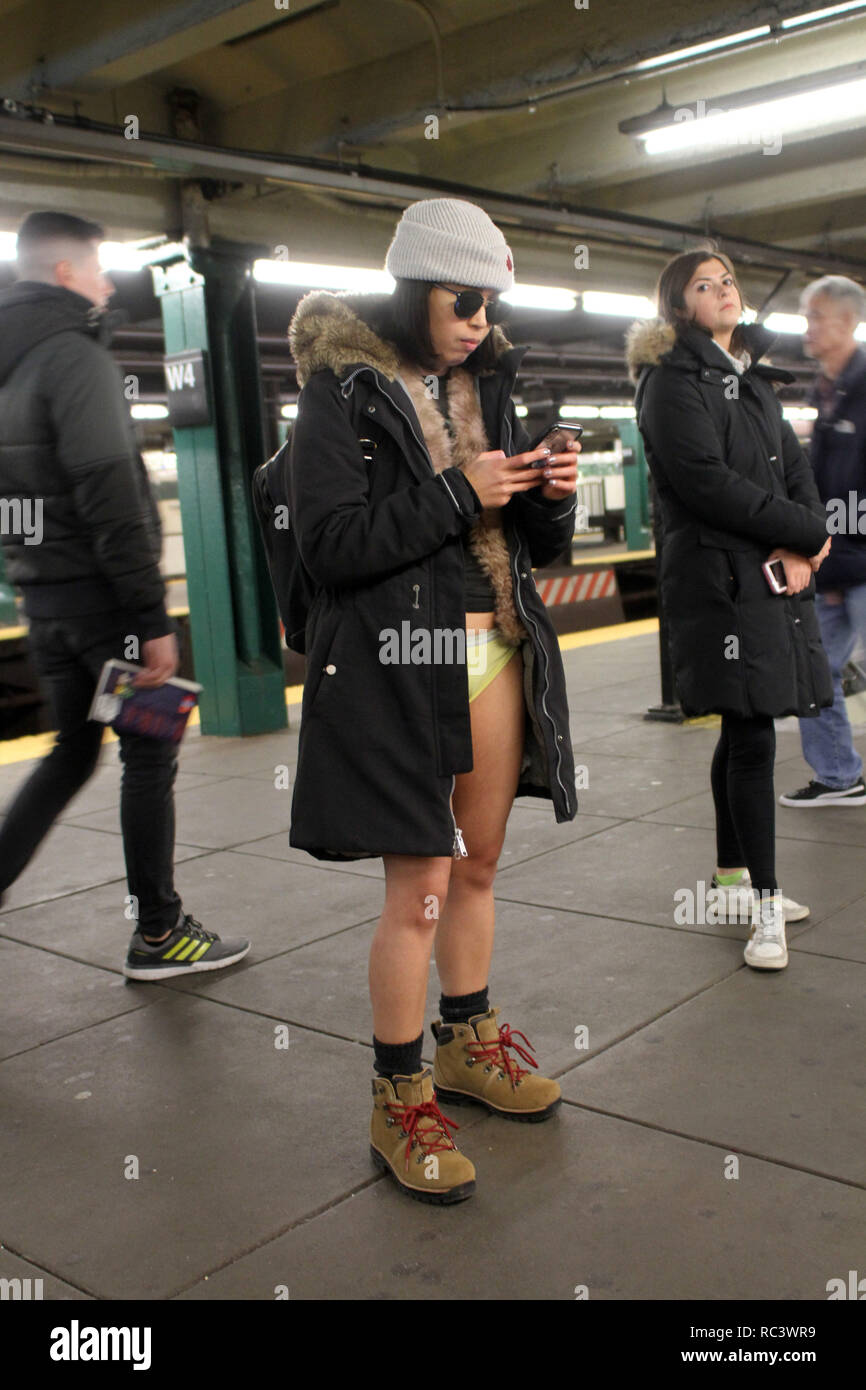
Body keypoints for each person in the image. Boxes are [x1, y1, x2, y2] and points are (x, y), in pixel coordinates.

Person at [285, 198, 580, 1203]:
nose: (478, 317)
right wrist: (462, 488)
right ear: (416, 284)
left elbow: (534, 548)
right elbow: (329, 545)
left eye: (490, 300)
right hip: (398, 659)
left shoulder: (484, 378)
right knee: (417, 885)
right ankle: (396, 1092)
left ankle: (468, 1042)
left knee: (480, 865)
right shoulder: (342, 388)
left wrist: (545, 495)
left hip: (490, 647)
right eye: (463, 298)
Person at [0, 210, 249, 980]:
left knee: (73, 751)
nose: (109, 285)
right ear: (68, 271)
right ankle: (159, 932)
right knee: (151, 753)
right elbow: (110, 497)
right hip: (111, 612)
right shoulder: (73, 358)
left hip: (46, 603)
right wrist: (150, 621)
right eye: (102, 269)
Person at [626, 246, 833, 972]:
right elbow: (706, 484)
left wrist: (812, 536)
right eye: (703, 285)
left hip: (765, 579)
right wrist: (802, 531)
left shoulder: (749, 380)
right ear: (679, 306)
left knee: (745, 727)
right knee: (752, 736)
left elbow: (794, 466)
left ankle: (729, 884)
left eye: (729, 281)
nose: (723, 291)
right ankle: (766, 907)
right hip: (718, 585)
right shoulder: (670, 383)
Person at [780, 276, 866, 808]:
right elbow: (826, 486)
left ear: (848, 322)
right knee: (812, 670)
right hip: (841, 564)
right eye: (806, 315)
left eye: (816, 316)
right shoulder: (825, 391)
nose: (807, 327)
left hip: (862, 562)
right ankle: (839, 776)